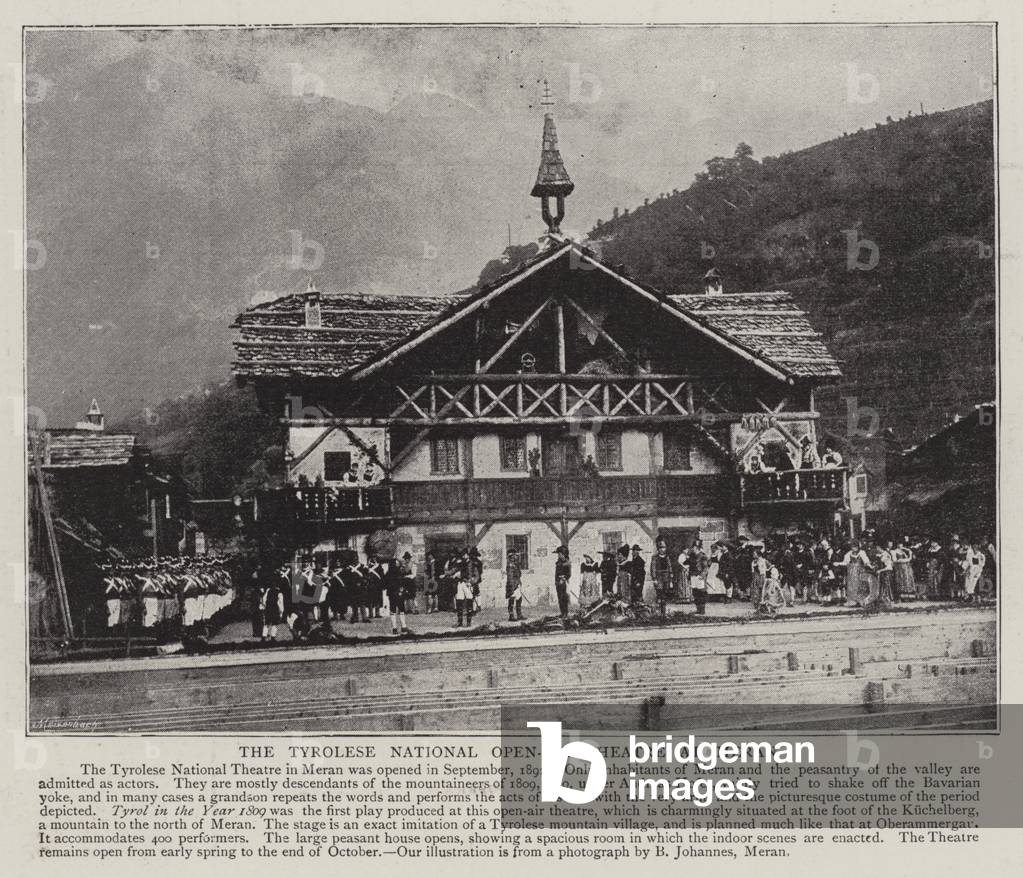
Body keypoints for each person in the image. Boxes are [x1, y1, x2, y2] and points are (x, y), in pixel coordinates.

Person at [385, 557, 411, 636]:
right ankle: (403, 627)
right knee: (401, 610)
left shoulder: (388, 573)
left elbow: (385, 584)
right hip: (399, 593)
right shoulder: (399, 572)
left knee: (392, 610)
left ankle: (394, 628)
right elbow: (403, 581)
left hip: (391, 594)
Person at [651, 539, 675, 620]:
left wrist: (671, 579)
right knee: (660, 595)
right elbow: (653, 568)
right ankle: (660, 613)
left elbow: (670, 567)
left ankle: (664, 613)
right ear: (658, 549)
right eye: (660, 548)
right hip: (659, 578)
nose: (662, 549)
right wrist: (654, 578)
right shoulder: (655, 558)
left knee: (665, 596)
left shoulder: (667, 557)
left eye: (664, 548)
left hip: (666, 578)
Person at [506, 549, 524, 621]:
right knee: (512, 599)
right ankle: (511, 616)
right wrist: (512, 587)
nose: (516, 556)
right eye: (515, 555)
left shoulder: (515, 564)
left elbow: (518, 574)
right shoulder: (510, 565)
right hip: (512, 585)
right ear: (512, 556)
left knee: (519, 598)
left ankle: (519, 615)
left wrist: (519, 582)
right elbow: (510, 577)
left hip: (516, 584)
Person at [554, 545, 572, 618]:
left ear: (563, 554)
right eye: (558, 554)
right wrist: (556, 581)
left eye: (560, 554)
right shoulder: (558, 562)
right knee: (559, 598)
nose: (558, 555)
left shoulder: (567, 563)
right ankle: (562, 612)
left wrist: (564, 578)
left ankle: (565, 613)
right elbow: (556, 573)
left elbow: (569, 574)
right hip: (558, 582)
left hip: (563, 583)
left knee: (564, 598)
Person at [423, 550, 439, 614]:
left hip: (435, 580)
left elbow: (439, 571)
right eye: (428, 556)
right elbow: (425, 572)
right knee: (429, 594)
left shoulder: (437, 563)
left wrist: (435, 576)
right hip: (429, 580)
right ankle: (430, 608)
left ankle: (436, 607)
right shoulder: (427, 563)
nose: (429, 557)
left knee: (435, 595)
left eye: (430, 555)